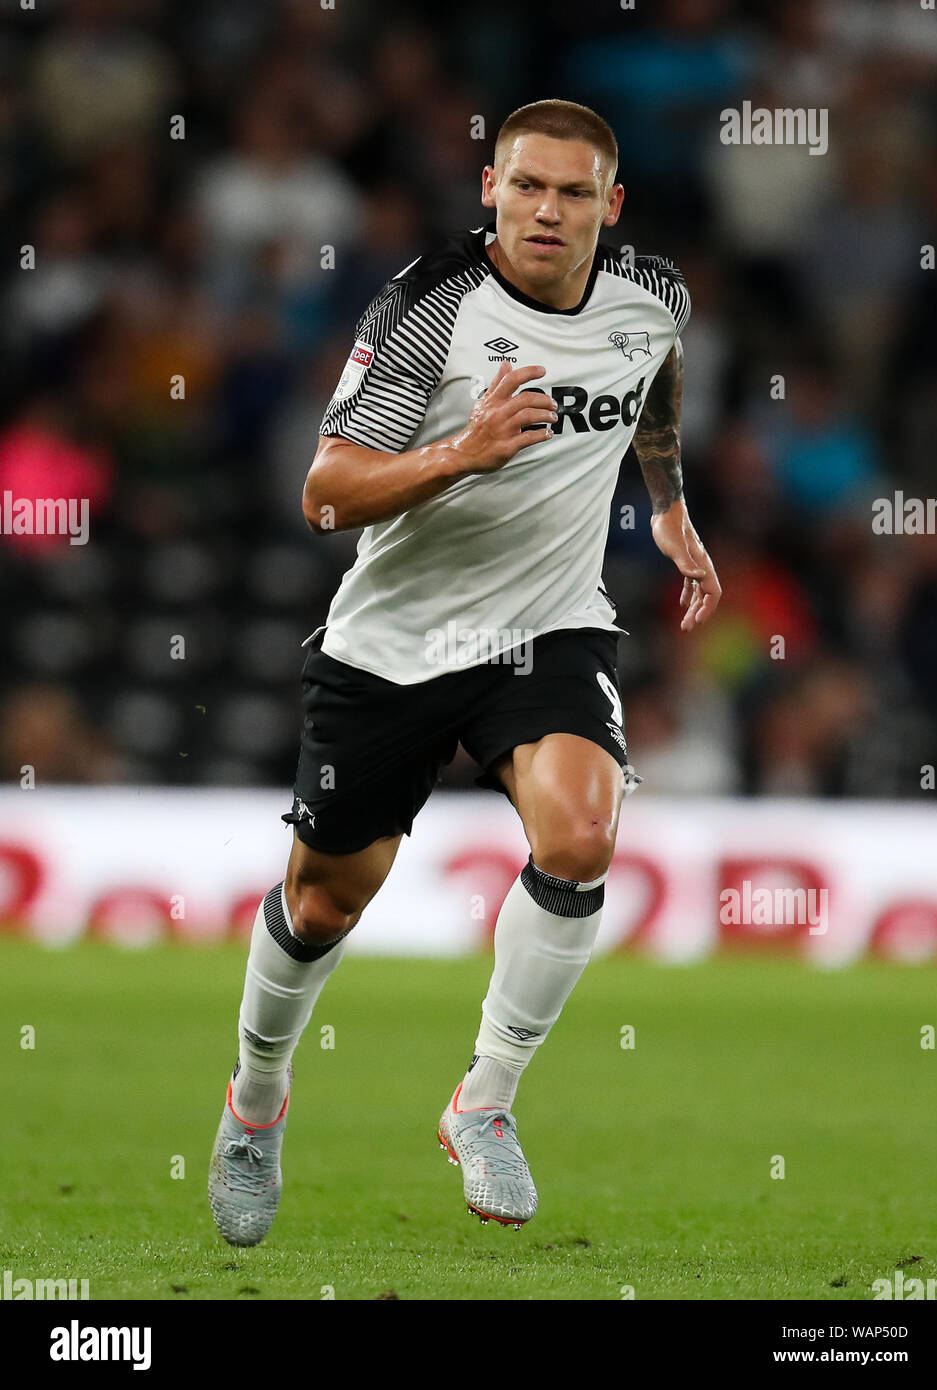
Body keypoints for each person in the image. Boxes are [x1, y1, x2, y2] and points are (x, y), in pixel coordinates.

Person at [208, 98, 721, 1245]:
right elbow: (324, 491)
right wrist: (466, 451)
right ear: (490, 188)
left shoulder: (654, 297)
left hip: (546, 629)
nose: (549, 210)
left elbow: (656, 377)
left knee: (583, 835)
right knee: (323, 899)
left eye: (574, 192)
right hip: (394, 643)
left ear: (611, 205)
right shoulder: (428, 308)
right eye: (527, 186)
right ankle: (254, 1103)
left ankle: (483, 1101)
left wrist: (671, 506)